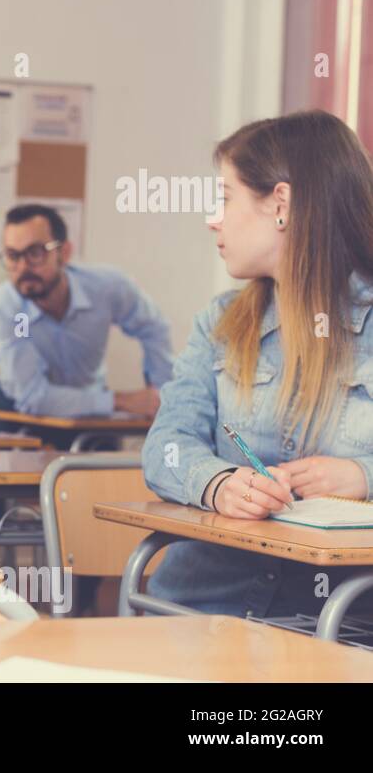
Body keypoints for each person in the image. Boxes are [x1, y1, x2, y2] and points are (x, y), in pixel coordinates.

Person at [142, 110, 373, 618]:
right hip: (200, 610)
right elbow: (166, 447)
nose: (213, 219)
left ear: (281, 204)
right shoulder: (220, 321)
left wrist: (363, 476)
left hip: (341, 623)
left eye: (225, 198)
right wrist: (218, 483)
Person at [0, 203, 174, 448]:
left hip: (91, 406)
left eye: (35, 253)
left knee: (105, 479)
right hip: (21, 411)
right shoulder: (11, 310)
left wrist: (158, 393)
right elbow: (34, 396)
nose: (23, 267)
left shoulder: (106, 289)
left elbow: (153, 327)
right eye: (12, 256)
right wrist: (121, 401)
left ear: (64, 253)